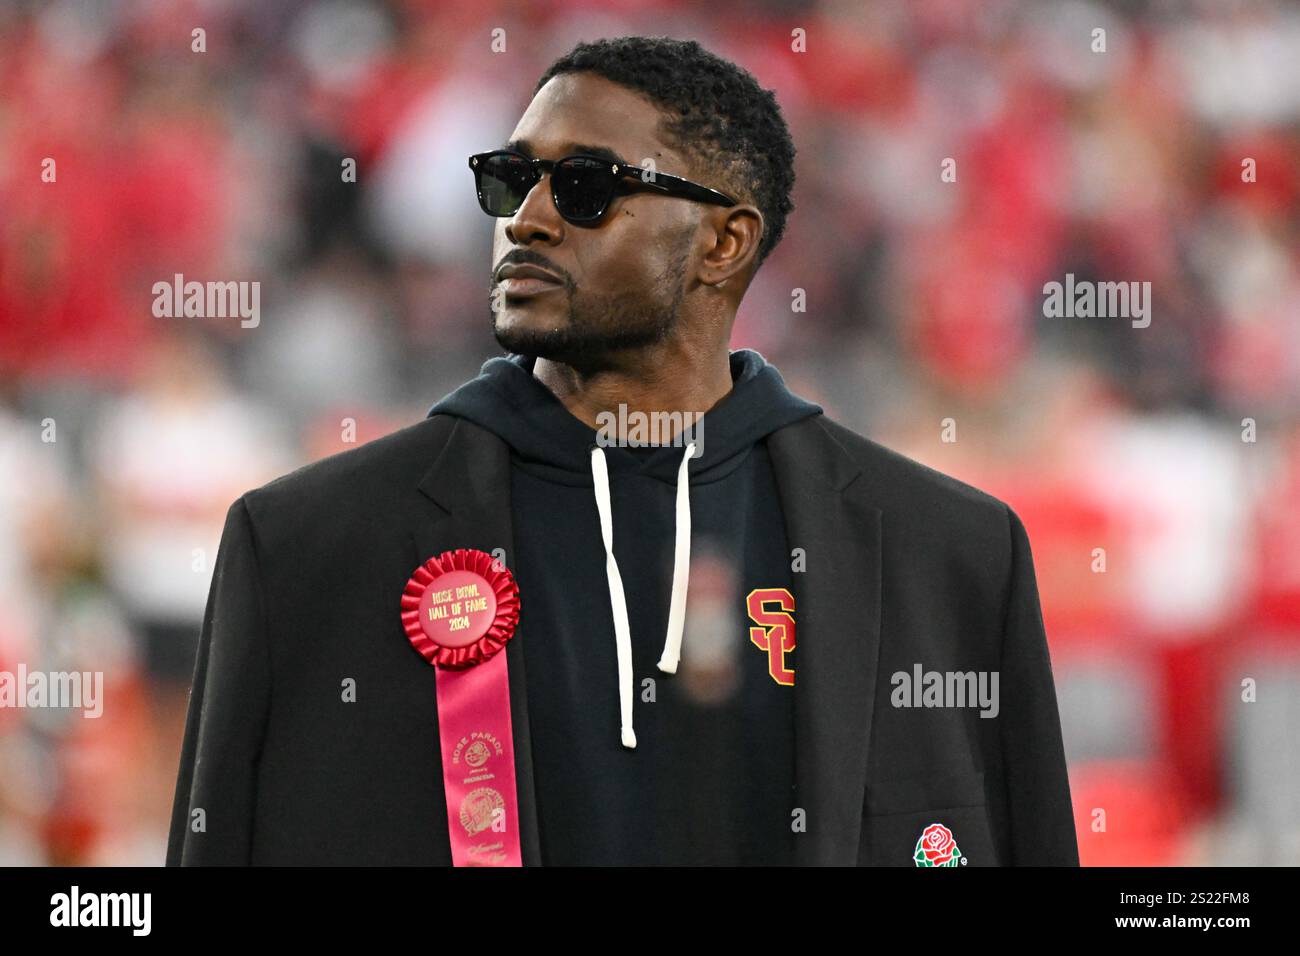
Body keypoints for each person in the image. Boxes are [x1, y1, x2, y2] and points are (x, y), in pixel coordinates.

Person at [167, 35, 1078, 866]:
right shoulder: (300, 545)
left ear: (724, 242)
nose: (525, 219)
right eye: (510, 180)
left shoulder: (950, 553)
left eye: (586, 187)